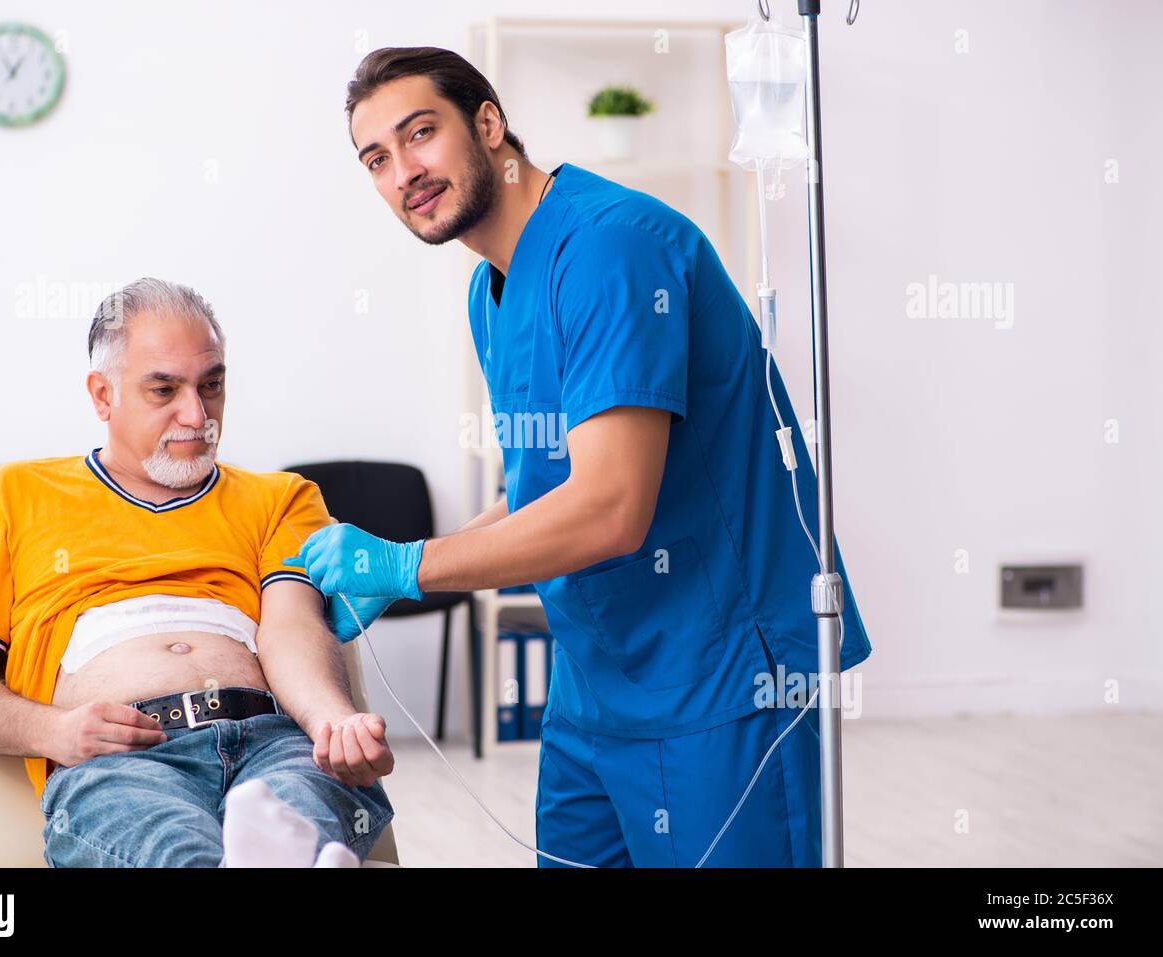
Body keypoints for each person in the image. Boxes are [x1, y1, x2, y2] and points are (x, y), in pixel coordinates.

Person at [292, 47, 874, 868]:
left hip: (720, 684)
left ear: (488, 123)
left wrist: (415, 564)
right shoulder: (489, 287)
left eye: (419, 134)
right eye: (376, 159)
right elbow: (546, 491)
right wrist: (399, 571)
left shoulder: (612, 249)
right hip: (594, 688)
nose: (403, 173)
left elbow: (609, 507)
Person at [0, 277, 393, 867]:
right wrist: (54, 732)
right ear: (102, 395)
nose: (197, 414)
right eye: (164, 389)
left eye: (211, 385)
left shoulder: (282, 498)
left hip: (276, 742)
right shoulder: (14, 495)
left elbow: (293, 628)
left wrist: (333, 724)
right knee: (177, 854)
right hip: (124, 763)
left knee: (297, 809)